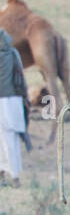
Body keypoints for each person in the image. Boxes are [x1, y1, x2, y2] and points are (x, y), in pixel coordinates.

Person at [0, 29, 27, 187]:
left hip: (2, 103)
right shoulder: (13, 54)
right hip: (14, 102)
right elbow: (21, 78)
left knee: (4, 140)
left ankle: (11, 174)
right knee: (12, 140)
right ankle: (14, 174)